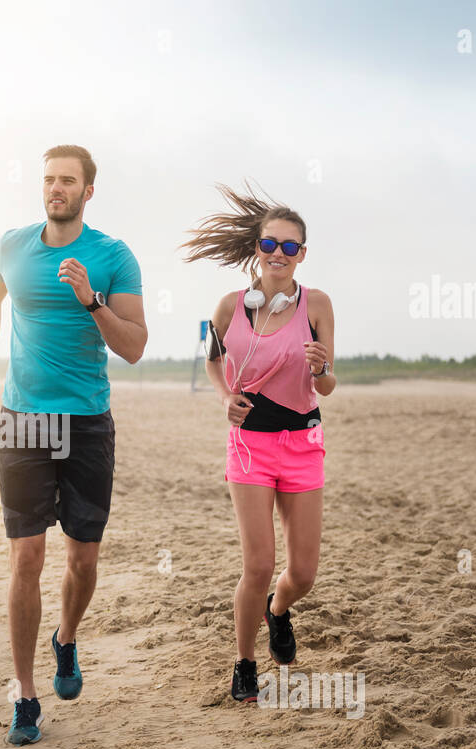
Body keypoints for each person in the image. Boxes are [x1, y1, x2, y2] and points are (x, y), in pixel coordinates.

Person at [0, 144, 147, 744]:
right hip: (24, 421)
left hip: (87, 423)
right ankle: (25, 697)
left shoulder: (112, 257)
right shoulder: (11, 248)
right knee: (26, 558)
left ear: (87, 192)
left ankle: (66, 638)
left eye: (67, 181)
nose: (56, 189)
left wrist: (92, 301)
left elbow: (134, 347)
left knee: (83, 560)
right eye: (48, 179)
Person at [181, 183, 336, 703]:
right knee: (258, 565)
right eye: (270, 244)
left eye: (290, 247)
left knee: (304, 572)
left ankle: (278, 609)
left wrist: (323, 368)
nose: (278, 254)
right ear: (257, 248)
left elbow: (329, 383)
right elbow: (211, 360)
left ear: (302, 255)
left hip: (303, 443)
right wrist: (225, 395)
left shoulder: (317, 306)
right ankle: (244, 663)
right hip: (249, 446)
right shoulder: (229, 307)